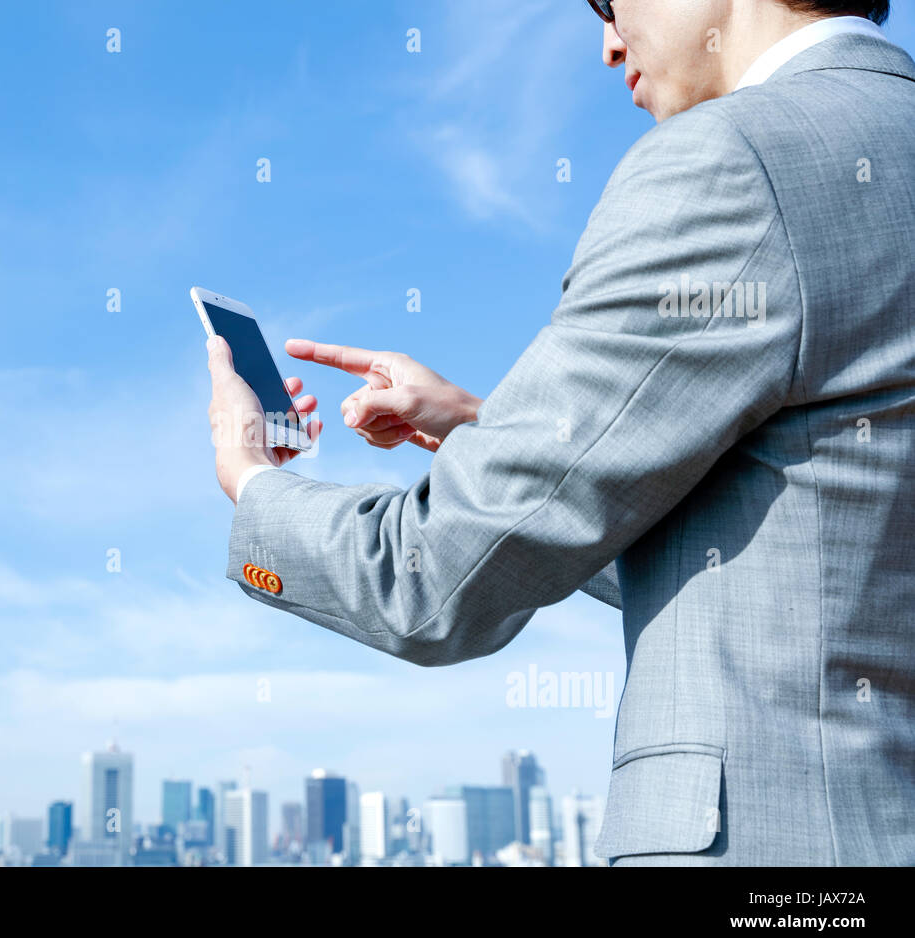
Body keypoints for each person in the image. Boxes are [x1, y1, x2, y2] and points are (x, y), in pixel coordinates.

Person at [204, 0, 914, 865]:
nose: (609, 42)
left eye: (610, 1)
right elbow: (816, 543)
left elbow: (431, 584)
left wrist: (251, 479)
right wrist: (481, 427)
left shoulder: (733, 162)